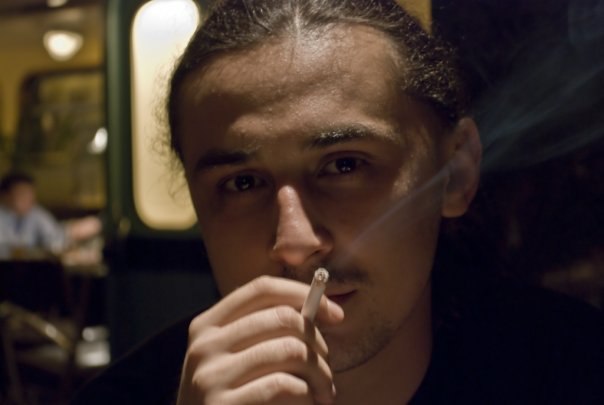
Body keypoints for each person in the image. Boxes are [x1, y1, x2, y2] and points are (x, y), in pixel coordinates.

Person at [74, 0, 604, 403]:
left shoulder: (574, 371)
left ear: (455, 173)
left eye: (345, 165)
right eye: (243, 183)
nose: (295, 242)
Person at [0, 171, 102, 257]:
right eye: (22, 193)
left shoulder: (36, 213)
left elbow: (53, 238)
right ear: (5, 195)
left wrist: (72, 231)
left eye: (30, 193)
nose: (28, 198)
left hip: (29, 270)